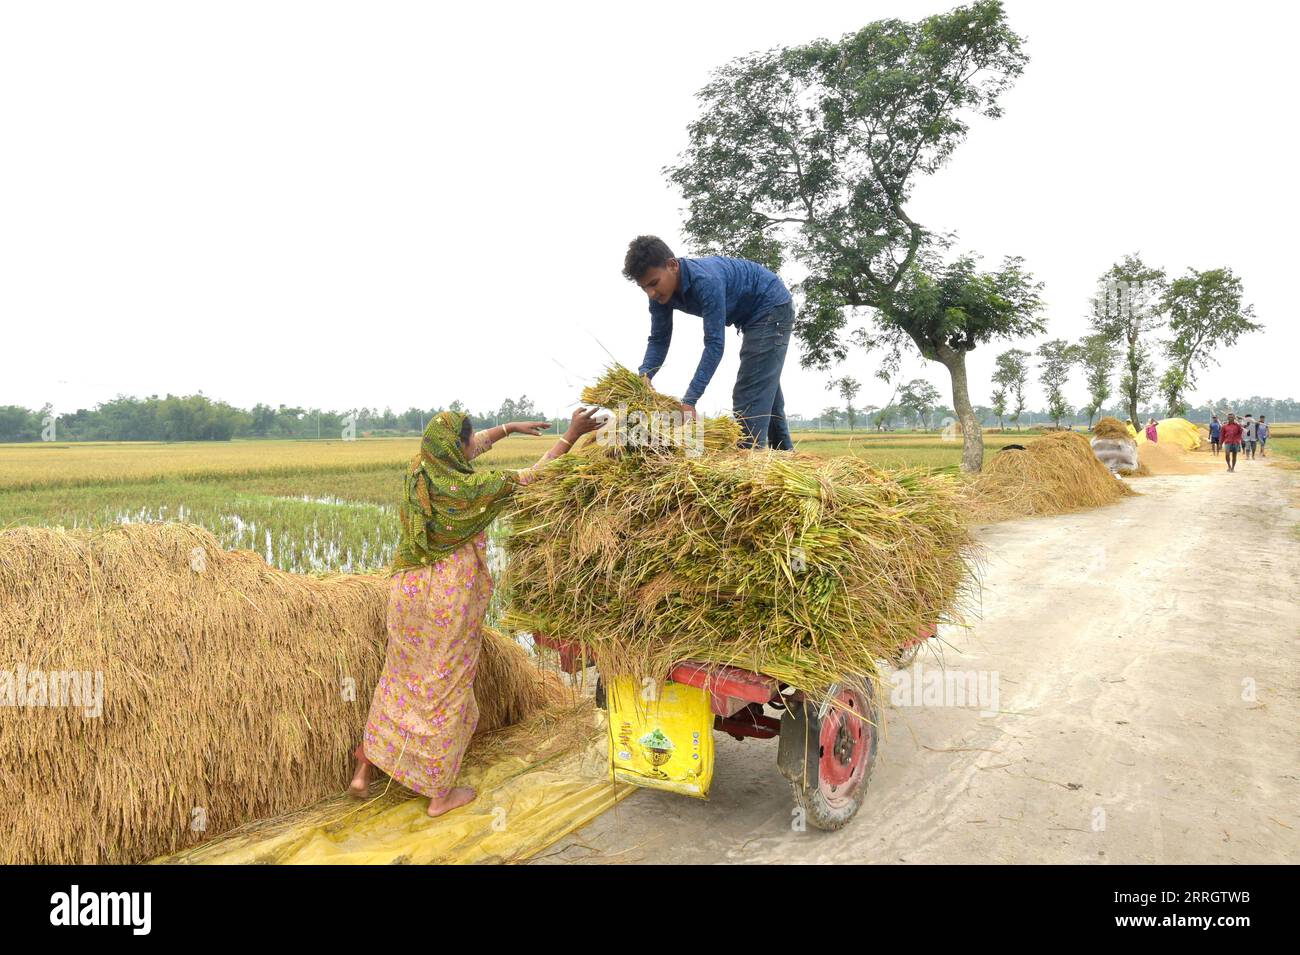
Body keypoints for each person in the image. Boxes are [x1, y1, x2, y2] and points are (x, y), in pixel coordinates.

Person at [347, 407, 605, 816]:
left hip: (408, 589)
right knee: (445, 688)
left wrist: (507, 429)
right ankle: (439, 794)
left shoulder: (422, 469)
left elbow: (467, 446)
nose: (474, 447)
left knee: (401, 674)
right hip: (449, 599)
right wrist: (571, 434)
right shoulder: (474, 488)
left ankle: (365, 767)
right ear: (460, 449)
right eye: (471, 442)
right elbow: (532, 477)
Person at [623, 235, 794, 450]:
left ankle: (753, 467)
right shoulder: (659, 296)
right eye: (644, 288)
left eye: (654, 283)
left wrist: (690, 399)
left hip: (770, 306)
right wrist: (645, 374)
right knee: (764, 393)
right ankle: (786, 460)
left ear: (672, 265)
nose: (651, 293)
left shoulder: (706, 281)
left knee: (749, 395)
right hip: (751, 318)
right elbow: (659, 339)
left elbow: (714, 344)